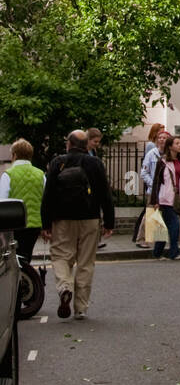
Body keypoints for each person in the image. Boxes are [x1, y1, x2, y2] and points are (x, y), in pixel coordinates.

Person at [41, 129, 114, 320]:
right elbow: (105, 193)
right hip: (90, 218)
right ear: (86, 145)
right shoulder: (95, 163)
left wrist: (46, 224)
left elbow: (48, 195)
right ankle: (81, 308)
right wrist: (109, 221)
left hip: (63, 219)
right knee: (86, 263)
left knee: (60, 255)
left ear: (69, 144)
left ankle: (65, 286)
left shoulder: (58, 162)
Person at [1, 139, 46, 264]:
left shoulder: (8, 174)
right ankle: (26, 279)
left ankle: (18, 281)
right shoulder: (40, 174)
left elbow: (2, 200)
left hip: (13, 225)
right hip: (34, 224)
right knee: (26, 256)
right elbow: (44, 200)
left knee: (13, 258)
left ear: (14, 155)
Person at [149, 135, 180, 260]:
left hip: (178, 198)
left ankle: (157, 253)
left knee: (164, 227)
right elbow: (156, 181)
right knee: (174, 225)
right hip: (165, 198)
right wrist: (155, 200)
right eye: (177, 143)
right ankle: (174, 253)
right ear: (170, 146)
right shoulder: (162, 162)